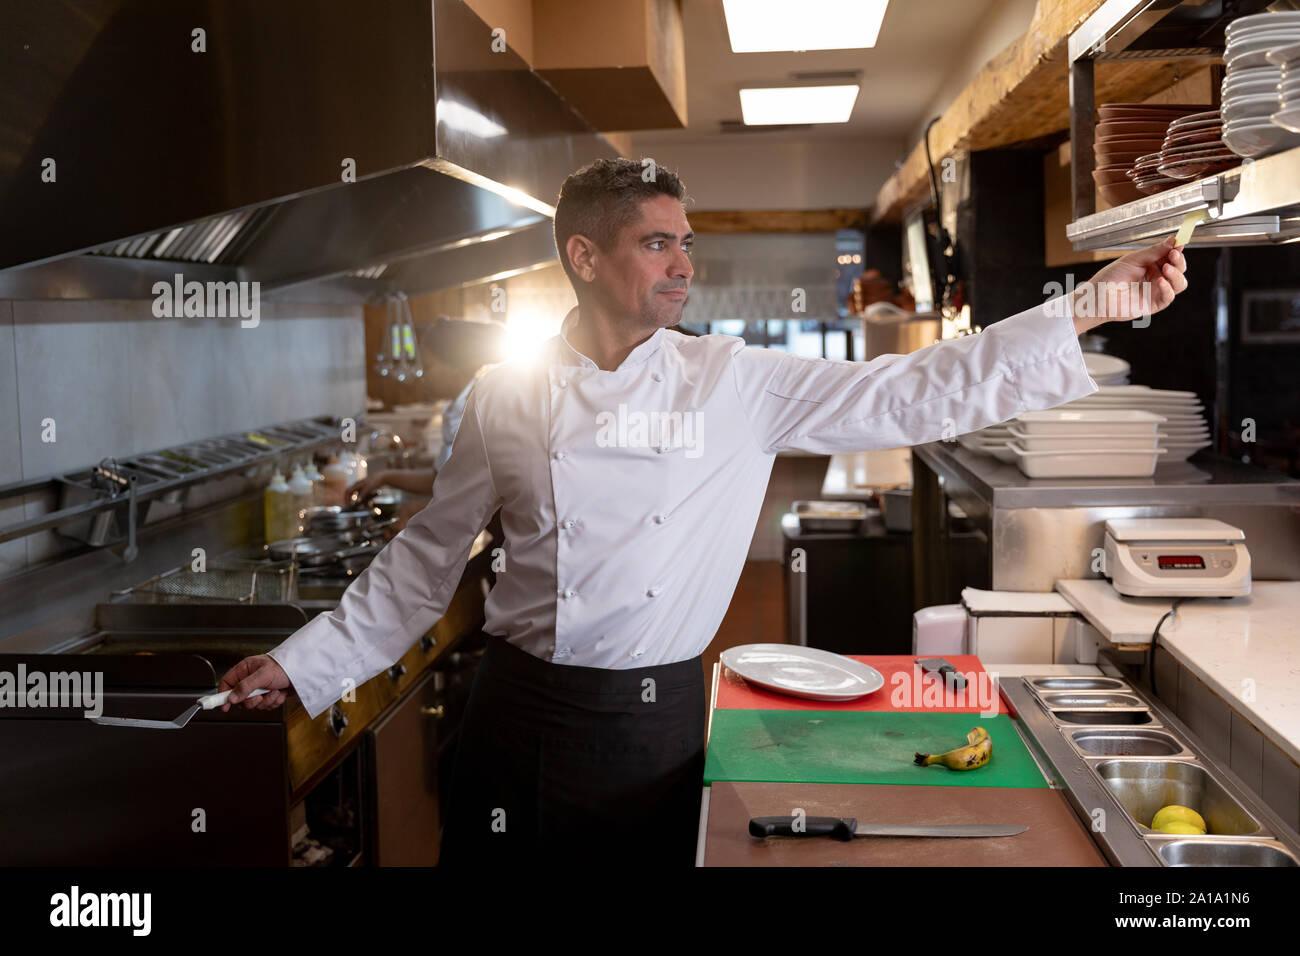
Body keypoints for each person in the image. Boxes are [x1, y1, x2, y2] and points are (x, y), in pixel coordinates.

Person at [219, 157, 1189, 867]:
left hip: (657, 717)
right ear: (584, 255)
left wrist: (1086, 306)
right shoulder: (504, 392)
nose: (682, 263)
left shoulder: (731, 379)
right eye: (656, 242)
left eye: (685, 242)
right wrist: (302, 661)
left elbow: (913, 391)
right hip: (518, 719)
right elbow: (422, 562)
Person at [347, 363, 497, 533]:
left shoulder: (482, 407)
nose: (422, 374)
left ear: (453, 367)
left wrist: (418, 508)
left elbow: (479, 493)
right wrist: (383, 477)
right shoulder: (455, 410)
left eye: (429, 365)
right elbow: (440, 478)